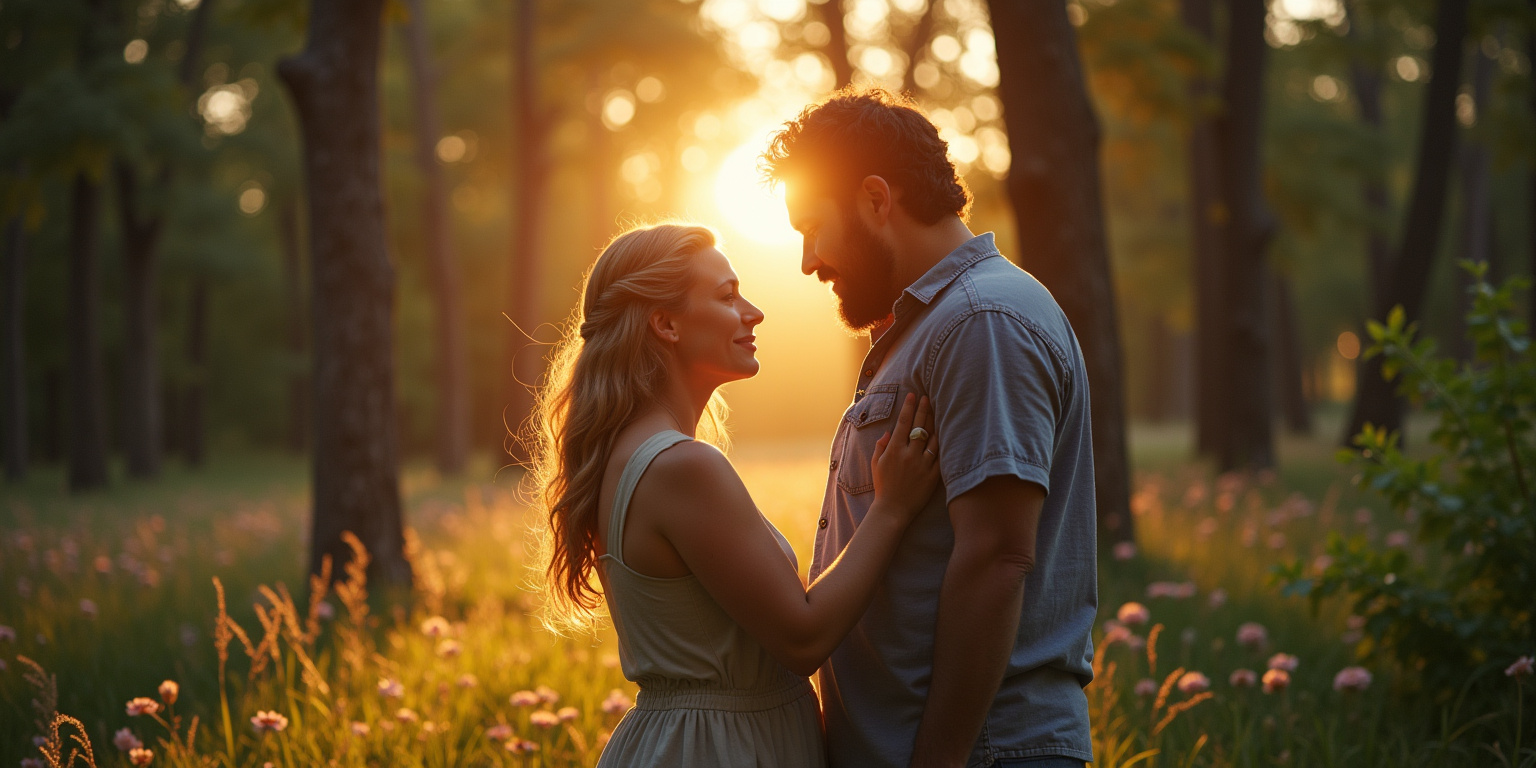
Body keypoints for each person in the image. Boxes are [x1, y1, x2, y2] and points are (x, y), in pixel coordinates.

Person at [760, 87, 1098, 768]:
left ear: (877, 200)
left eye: (810, 227)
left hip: (980, 753)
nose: (806, 260)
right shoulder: (933, 327)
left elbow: (998, 556)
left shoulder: (983, 324)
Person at [526, 222, 942, 767]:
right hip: (718, 750)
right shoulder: (681, 465)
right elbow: (803, 639)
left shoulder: (626, 455)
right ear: (666, 324)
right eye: (726, 296)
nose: (754, 312)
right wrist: (891, 509)